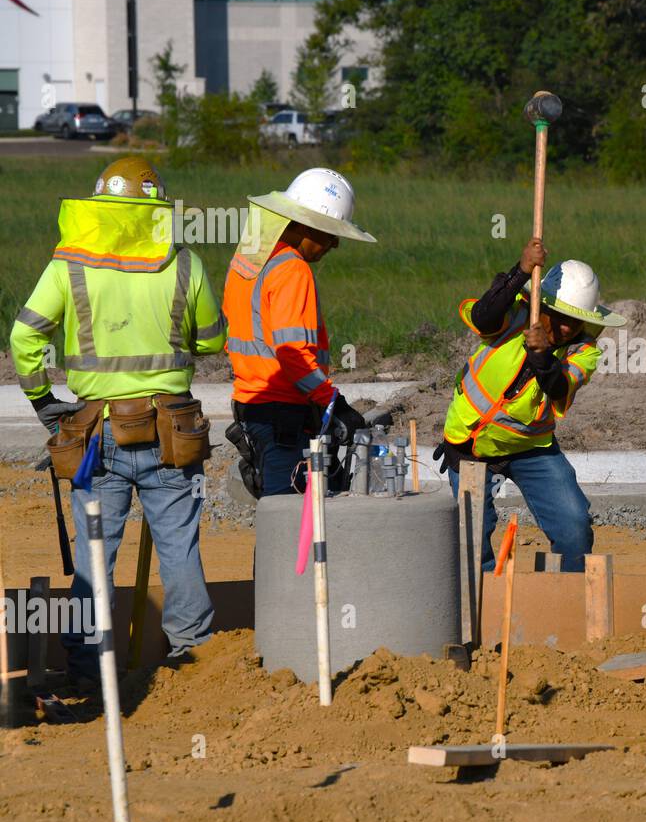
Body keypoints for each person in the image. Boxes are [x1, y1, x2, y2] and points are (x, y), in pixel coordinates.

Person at [9, 158, 227, 687]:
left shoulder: (69, 265)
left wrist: (43, 401)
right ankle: (190, 662)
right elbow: (214, 339)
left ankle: (88, 669)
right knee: (179, 547)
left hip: (94, 435)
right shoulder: (184, 263)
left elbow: (24, 339)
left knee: (93, 555)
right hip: (169, 431)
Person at [435, 239, 624, 573]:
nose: (566, 328)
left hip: (531, 448)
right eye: (561, 317)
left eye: (575, 321)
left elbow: (558, 387)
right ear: (544, 307)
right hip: (469, 445)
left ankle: (560, 603)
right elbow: (483, 316)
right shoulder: (516, 313)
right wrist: (520, 271)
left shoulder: (585, 351)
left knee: (574, 525)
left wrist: (541, 357)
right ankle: (481, 610)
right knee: (472, 538)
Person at [222, 168, 374, 497]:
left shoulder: (251, 255)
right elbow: (293, 354)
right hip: (283, 415)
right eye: (329, 232)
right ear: (305, 224)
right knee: (288, 520)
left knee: (277, 521)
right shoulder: (292, 268)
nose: (334, 243)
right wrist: (334, 404)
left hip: (252, 406)